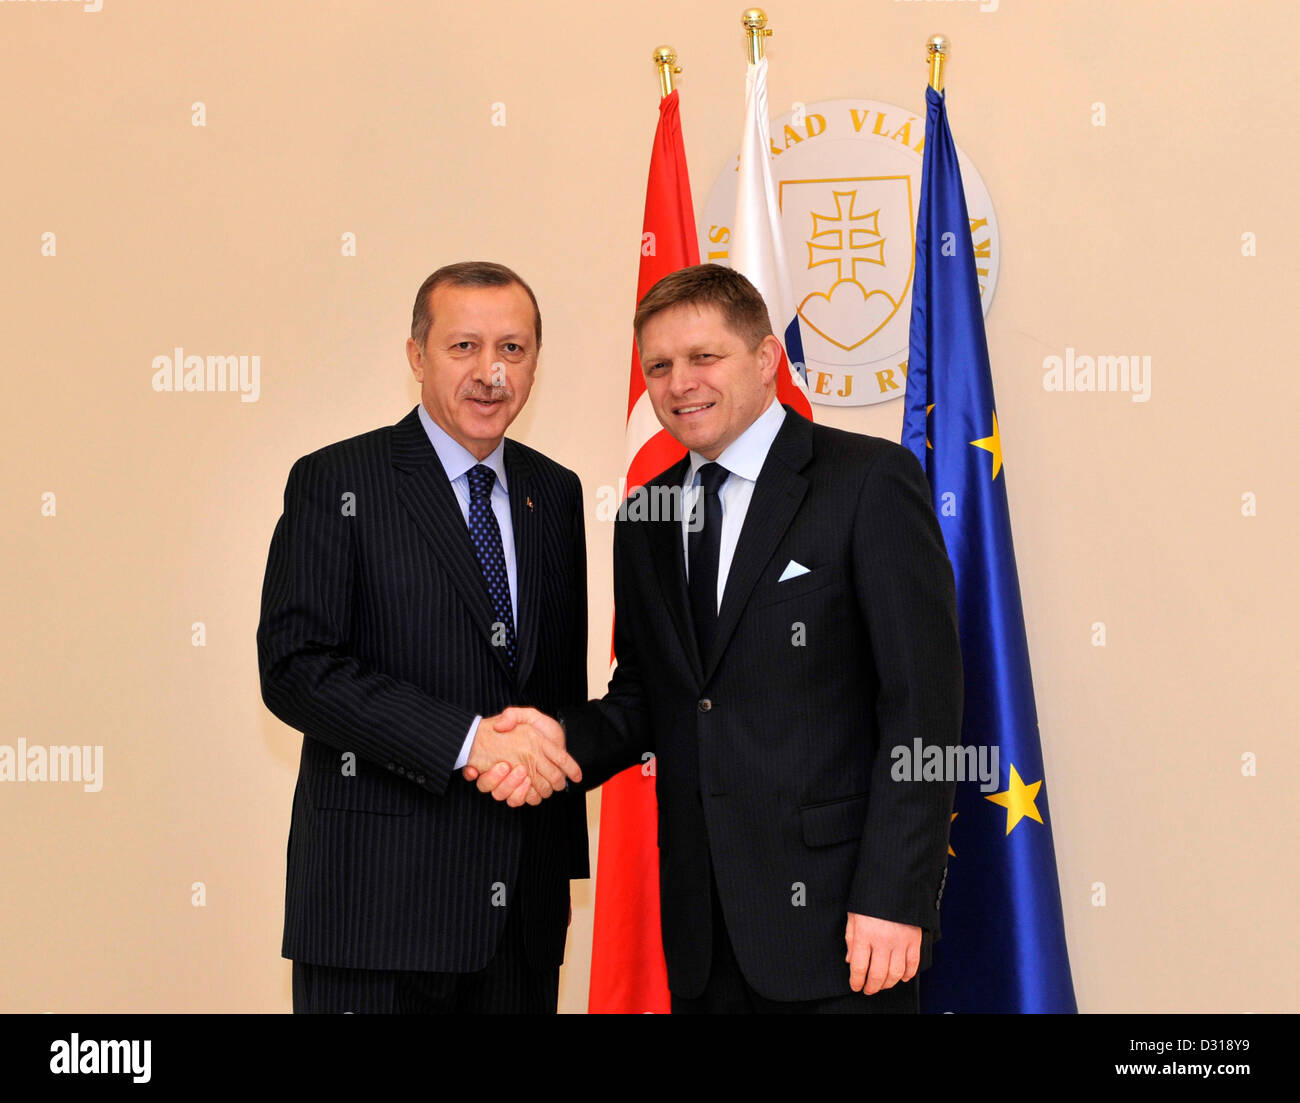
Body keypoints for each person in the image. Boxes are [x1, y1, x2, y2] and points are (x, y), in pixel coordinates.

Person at [472, 264, 963, 1013]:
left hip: (846, 927)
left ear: (766, 361)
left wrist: (896, 895)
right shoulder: (646, 513)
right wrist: (550, 741)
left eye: (704, 358)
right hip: (703, 931)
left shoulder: (868, 481)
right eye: (659, 366)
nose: (679, 384)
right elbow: (648, 693)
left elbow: (923, 707)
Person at [257, 260, 587, 1013]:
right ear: (416, 356)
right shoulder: (337, 479)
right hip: (377, 911)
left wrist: (558, 863)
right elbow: (295, 667)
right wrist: (469, 739)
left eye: (513, 349)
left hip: (522, 924)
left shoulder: (555, 492)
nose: (490, 373)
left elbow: (552, 687)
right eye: (464, 346)